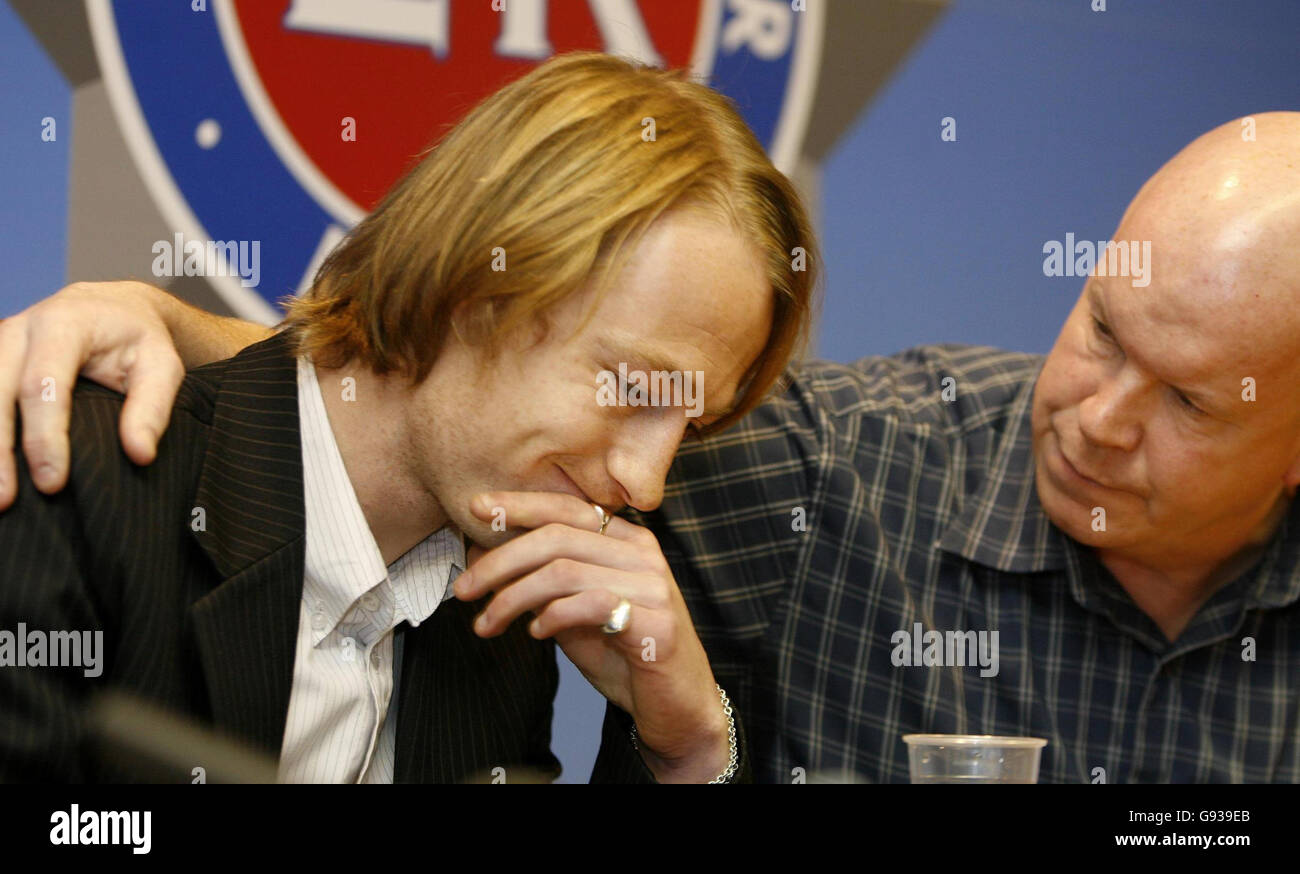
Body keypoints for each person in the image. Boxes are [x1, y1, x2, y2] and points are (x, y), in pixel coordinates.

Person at [8, 113, 1298, 783]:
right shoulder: (856, 465)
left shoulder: (507, 584)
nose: (644, 484)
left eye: (1190, 402)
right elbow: (384, 395)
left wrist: (690, 742)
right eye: (1099, 324)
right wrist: (160, 319)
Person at [0, 52, 819, 782]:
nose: (644, 484)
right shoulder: (69, 489)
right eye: (637, 388)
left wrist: (687, 749)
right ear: (474, 280)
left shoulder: (498, 621)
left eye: (692, 427)